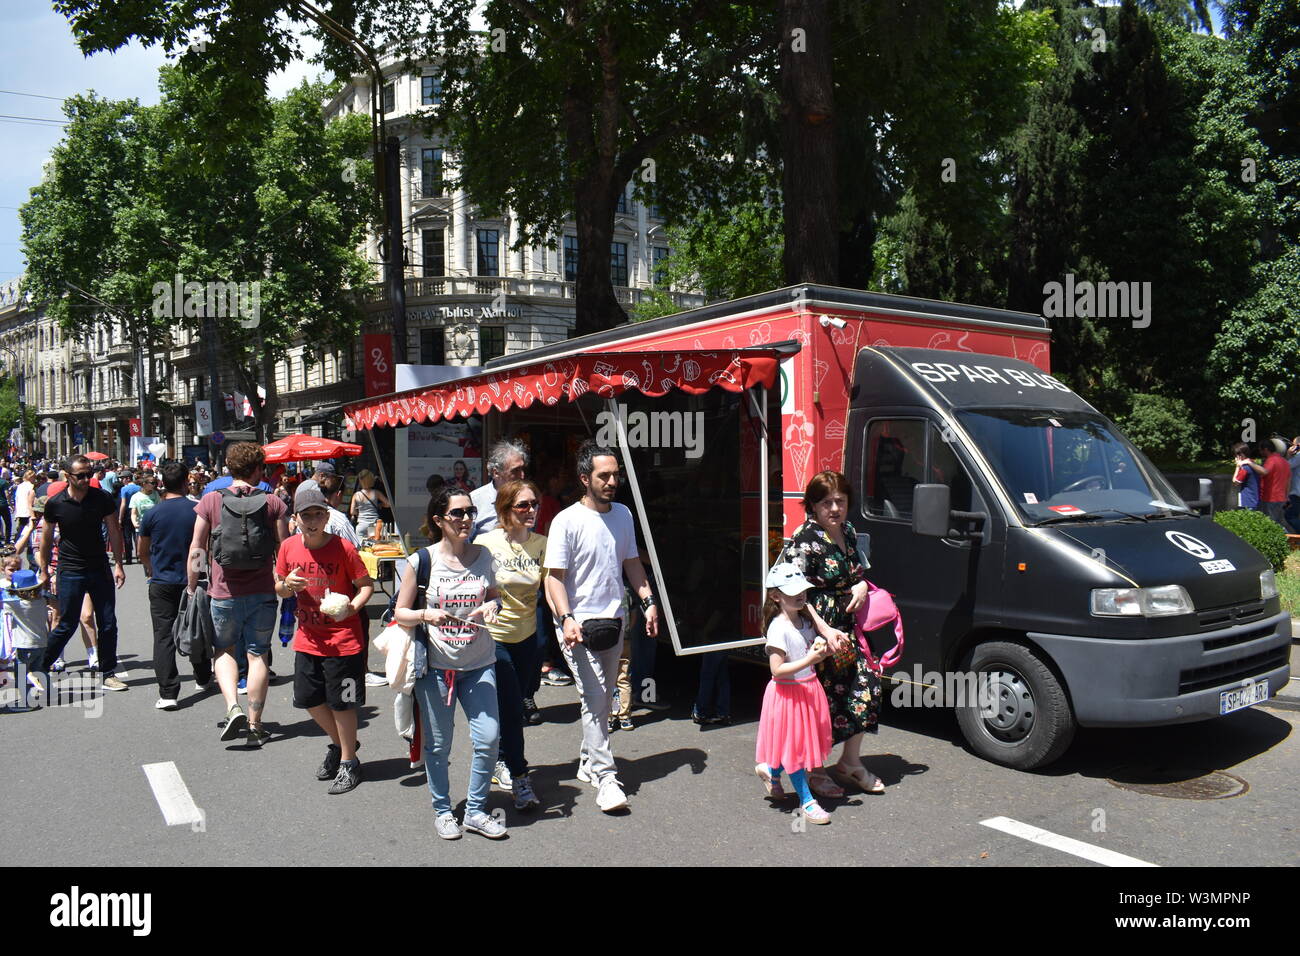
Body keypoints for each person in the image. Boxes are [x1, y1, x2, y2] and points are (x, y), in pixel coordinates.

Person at [543, 442, 660, 813]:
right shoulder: (566, 520)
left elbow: (632, 564)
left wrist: (648, 600)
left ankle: (586, 761)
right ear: (584, 479)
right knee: (597, 700)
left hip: (614, 623)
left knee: (603, 697)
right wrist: (566, 619)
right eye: (604, 476)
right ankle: (607, 778)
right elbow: (554, 579)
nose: (612, 481)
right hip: (577, 627)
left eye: (615, 475)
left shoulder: (623, 514)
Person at [392, 487, 504, 840]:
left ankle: (474, 810)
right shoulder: (421, 561)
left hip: (480, 662)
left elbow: (495, 596)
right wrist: (427, 614)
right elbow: (399, 612)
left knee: (488, 738)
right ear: (439, 520)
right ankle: (442, 809)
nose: (467, 519)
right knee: (439, 746)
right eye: (458, 513)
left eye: (470, 512)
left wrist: (493, 607)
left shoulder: (484, 556)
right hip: (438, 668)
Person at [780, 470, 886, 796]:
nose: (835, 508)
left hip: (847, 629)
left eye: (840, 501)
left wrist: (862, 587)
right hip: (816, 632)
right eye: (826, 502)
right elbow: (790, 585)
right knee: (819, 702)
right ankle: (814, 771)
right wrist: (822, 628)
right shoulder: (805, 537)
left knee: (865, 689)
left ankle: (849, 762)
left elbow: (858, 571)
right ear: (812, 505)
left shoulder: (849, 531)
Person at [188, 442, 290, 745]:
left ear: (231, 468)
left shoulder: (210, 500)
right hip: (262, 592)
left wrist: (193, 582)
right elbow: (283, 549)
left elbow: (197, 546)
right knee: (258, 654)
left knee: (224, 650)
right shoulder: (273, 503)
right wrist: (285, 584)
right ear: (257, 469)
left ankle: (233, 707)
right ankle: (255, 722)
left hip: (223, 591)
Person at [275, 484, 374, 794]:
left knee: (342, 703)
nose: (313, 520)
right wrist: (287, 585)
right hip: (309, 638)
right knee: (308, 699)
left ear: (327, 515)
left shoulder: (343, 548)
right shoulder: (289, 547)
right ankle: (343, 743)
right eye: (307, 515)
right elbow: (278, 587)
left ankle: (348, 762)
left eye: (319, 514)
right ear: (296, 519)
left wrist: (352, 609)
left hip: (344, 639)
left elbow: (366, 586)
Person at [476, 479, 547, 808]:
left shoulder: (542, 544)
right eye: (523, 505)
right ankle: (520, 777)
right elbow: (469, 584)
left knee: (513, 703)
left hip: (528, 638)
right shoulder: (485, 543)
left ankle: (501, 760)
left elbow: (556, 587)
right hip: (495, 638)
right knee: (512, 708)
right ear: (505, 509)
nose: (531, 510)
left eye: (534, 504)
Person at [754, 562, 839, 824]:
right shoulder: (778, 627)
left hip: (808, 690)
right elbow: (778, 670)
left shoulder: (804, 621)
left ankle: (771, 768)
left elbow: (807, 653)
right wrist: (811, 658)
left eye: (802, 589)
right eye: (793, 591)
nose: (800, 595)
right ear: (776, 596)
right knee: (797, 750)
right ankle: (807, 801)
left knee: (795, 746)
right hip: (787, 695)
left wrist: (820, 648)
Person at [38, 456, 128, 691]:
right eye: (81, 475)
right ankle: (39, 668)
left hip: (99, 567)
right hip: (70, 569)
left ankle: (108, 673)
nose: (87, 479)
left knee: (108, 622)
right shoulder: (56, 503)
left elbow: (114, 531)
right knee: (66, 623)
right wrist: (44, 569)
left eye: (89, 473)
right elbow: (46, 539)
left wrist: (118, 564)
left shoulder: (101, 498)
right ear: (68, 476)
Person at [138, 461, 206, 710]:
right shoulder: (198, 509)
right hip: (194, 579)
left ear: (161, 483)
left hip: (162, 581)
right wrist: (196, 577)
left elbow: (142, 550)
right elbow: (201, 548)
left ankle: (168, 692)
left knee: (163, 636)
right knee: (197, 627)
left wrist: (151, 569)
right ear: (185, 480)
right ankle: (202, 676)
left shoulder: (152, 513)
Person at [4, 568, 49, 709]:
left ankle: (27, 701)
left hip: (24, 646)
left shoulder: (16, 606)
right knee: (39, 669)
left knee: (21, 673)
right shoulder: (41, 601)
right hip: (42, 643)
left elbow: (4, 604)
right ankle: (49, 693)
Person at [471, 440, 528, 538]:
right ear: (496, 472)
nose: (522, 475)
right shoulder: (475, 500)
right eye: (515, 470)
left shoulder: (529, 499)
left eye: (522, 469)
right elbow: (465, 543)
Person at [1240, 438, 1291, 530]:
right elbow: (1288, 480)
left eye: (1260, 450)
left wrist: (1249, 463)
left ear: (1266, 449)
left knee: (1272, 525)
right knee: (1278, 523)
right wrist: (1287, 497)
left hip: (1271, 498)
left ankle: (1288, 541)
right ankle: (1288, 540)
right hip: (1282, 498)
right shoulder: (1284, 462)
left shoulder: (1271, 460)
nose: (1260, 452)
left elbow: (1264, 472)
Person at [350, 470, 390, 540]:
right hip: (374, 525)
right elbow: (388, 504)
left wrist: (358, 512)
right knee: (374, 547)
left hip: (361, 525)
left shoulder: (356, 495)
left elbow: (352, 512)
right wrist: (380, 505)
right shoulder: (376, 493)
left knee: (361, 549)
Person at [117, 470, 141, 564]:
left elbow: (123, 504)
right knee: (137, 535)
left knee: (127, 536)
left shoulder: (124, 489)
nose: (121, 480)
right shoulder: (139, 488)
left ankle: (129, 558)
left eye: (122, 478)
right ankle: (139, 556)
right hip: (137, 512)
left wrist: (120, 517)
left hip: (127, 513)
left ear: (127, 479)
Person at [1231, 442, 1261, 511]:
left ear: (1240, 456)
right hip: (1254, 499)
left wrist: (1237, 467)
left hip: (1247, 501)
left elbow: (1235, 482)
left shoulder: (1245, 468)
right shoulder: (1253, 463)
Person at [13, 470, 35, 543]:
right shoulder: (31, 486)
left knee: (22, 525)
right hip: (27, 509)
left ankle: (18, 541)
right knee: (26, 526)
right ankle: (19, 542)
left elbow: (17, 498)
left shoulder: (20, 486)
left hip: (20, 508)